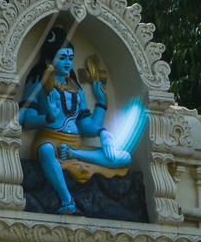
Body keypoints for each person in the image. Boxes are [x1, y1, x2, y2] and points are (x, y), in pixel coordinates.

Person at [18, 28, 134, 215]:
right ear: (49, 60)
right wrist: (47, 117)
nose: (67, 63)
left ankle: (75, 154)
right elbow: (28, 120)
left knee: (124, 157)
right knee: (46, 150)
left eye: (70, 58)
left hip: (74, 145)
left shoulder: (76, 89)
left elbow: (85, 125)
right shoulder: (39, 82)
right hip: (49, 139)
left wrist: (102, 123)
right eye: (62, 57)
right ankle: (67, 201)